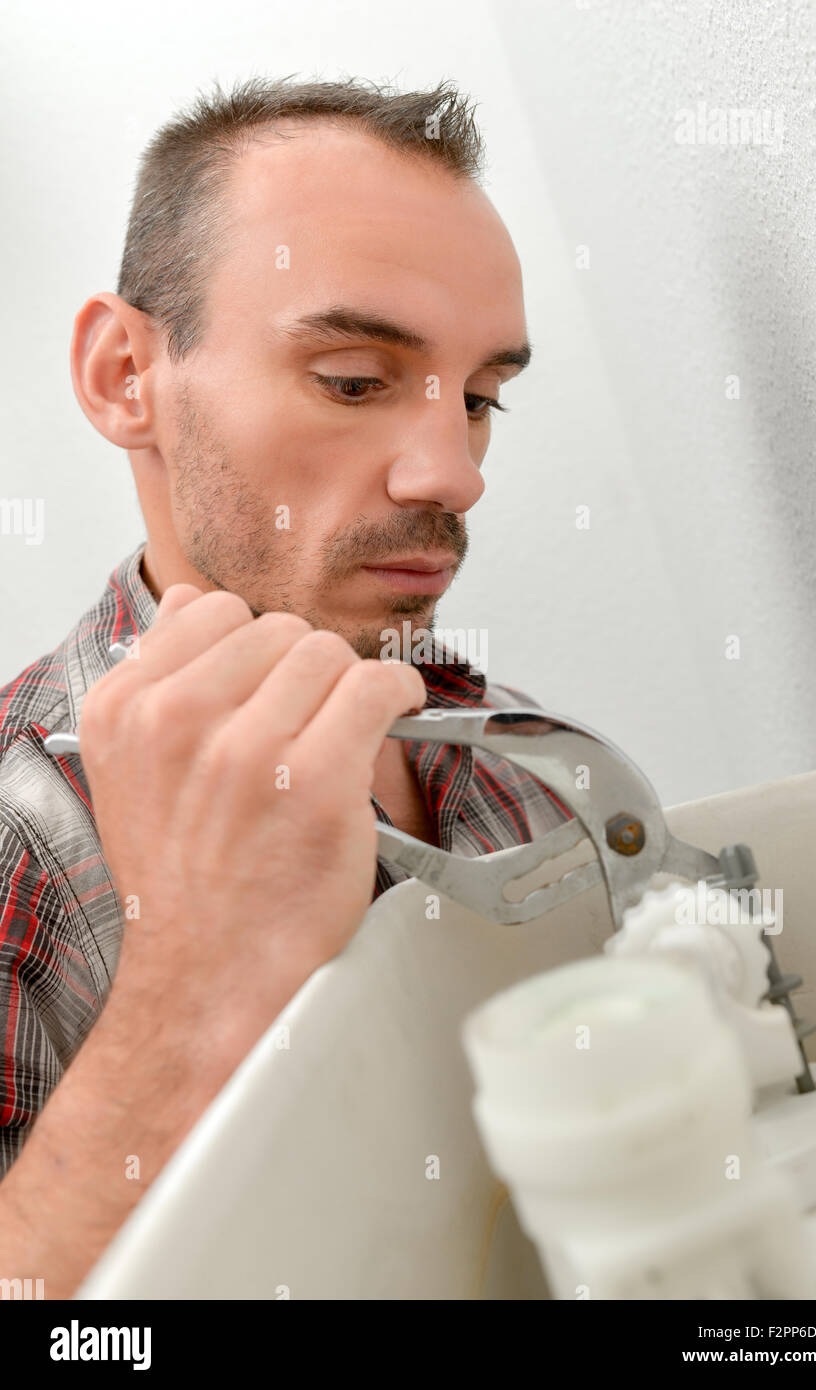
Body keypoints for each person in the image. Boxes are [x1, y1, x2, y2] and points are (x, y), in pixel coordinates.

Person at [0, 75, 573, 1299]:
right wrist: (187, 987)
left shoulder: (540, 765)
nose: (454, 471)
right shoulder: (15, 844)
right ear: (123, 374)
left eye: (479, 400)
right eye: (357, 380)